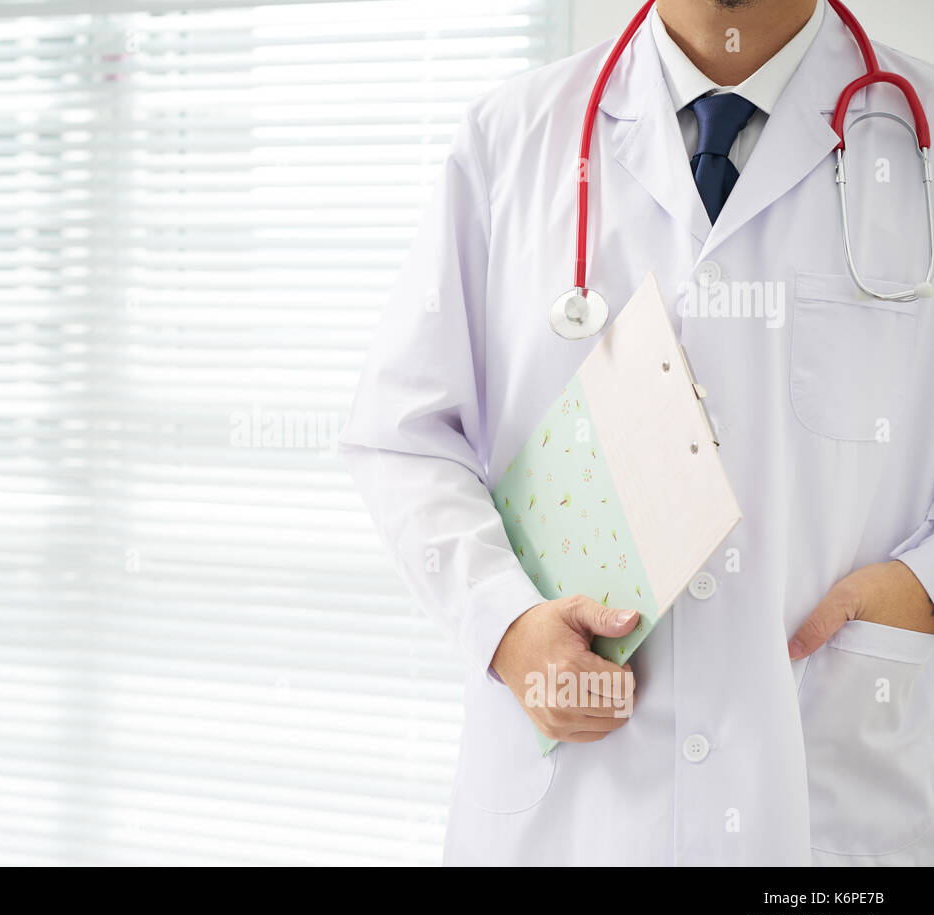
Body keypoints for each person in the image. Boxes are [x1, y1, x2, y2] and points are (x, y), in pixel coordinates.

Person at [340, 0, 934, 865]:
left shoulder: (917, 140)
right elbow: (401, 436)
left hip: (824, 811)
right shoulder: (510, 140)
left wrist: (922, 588)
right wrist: (505, 626)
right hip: (575, 818)